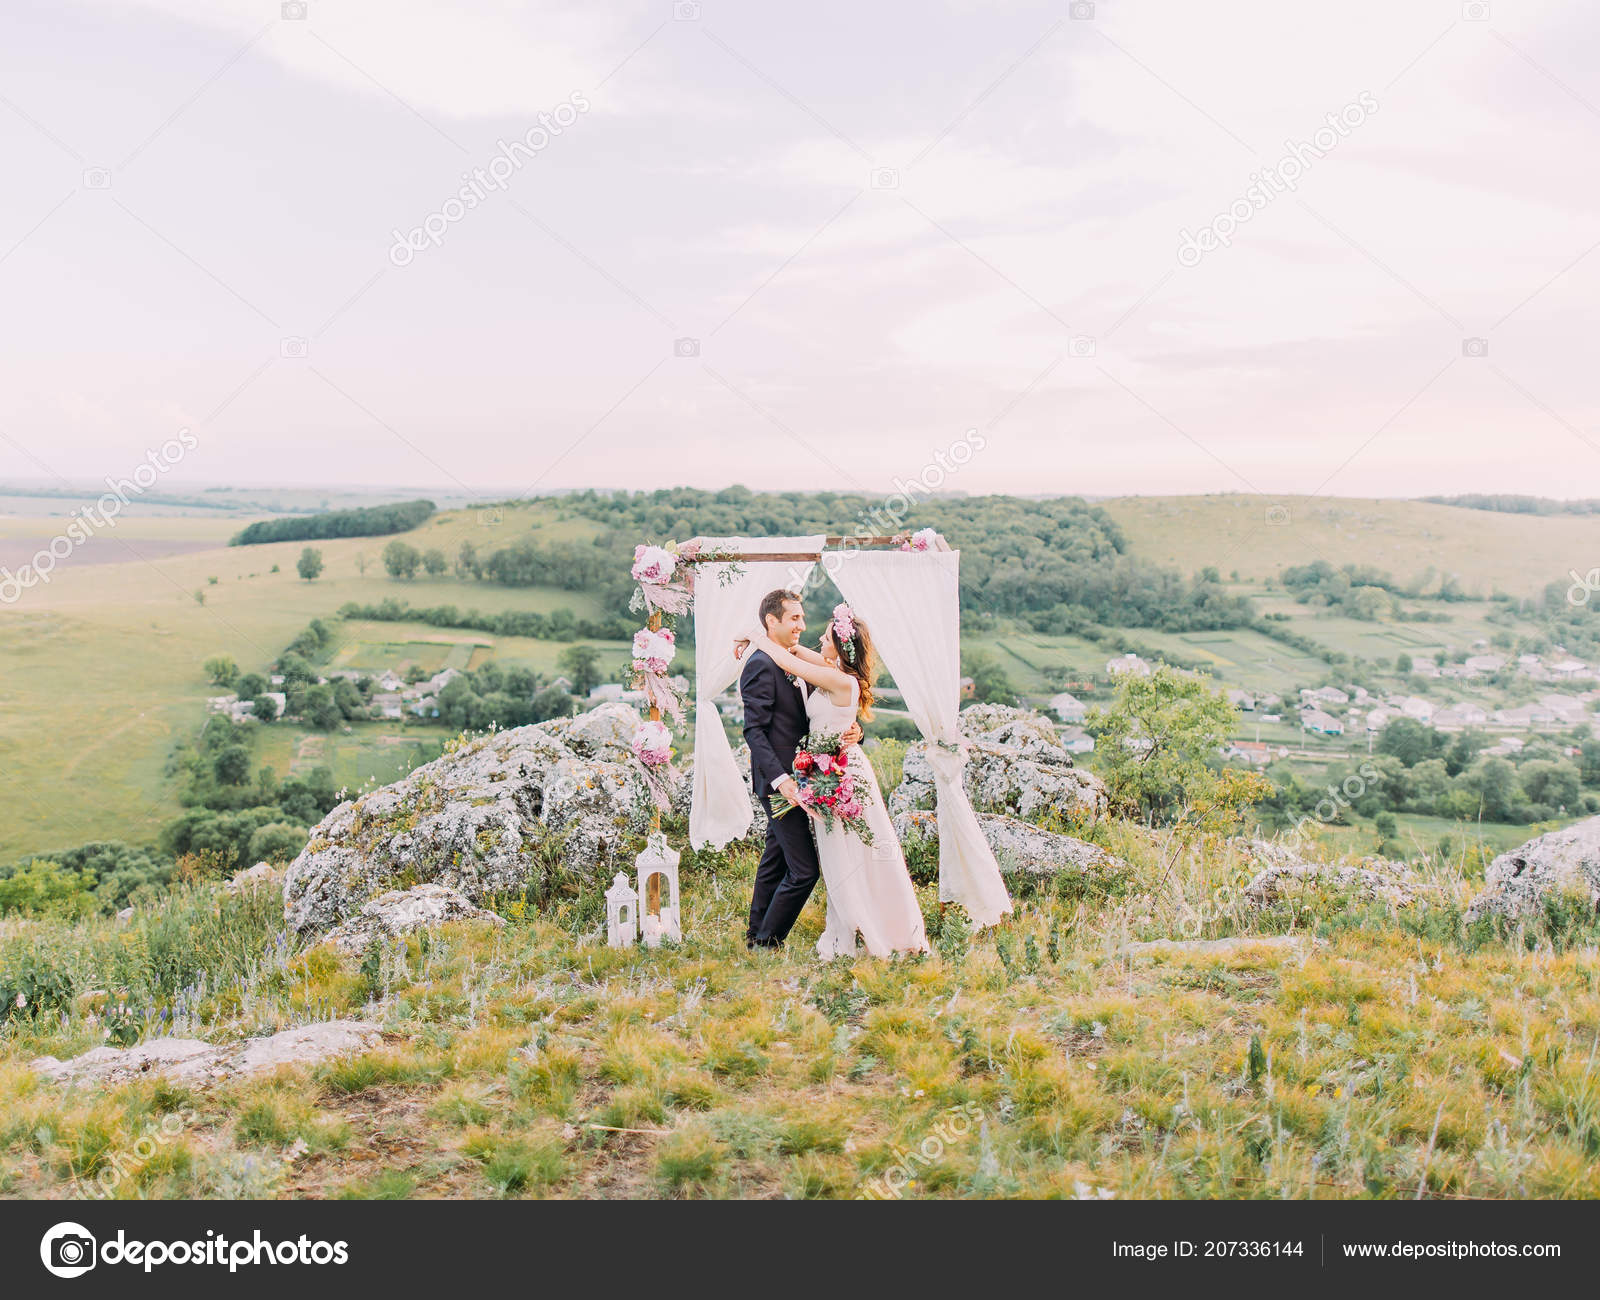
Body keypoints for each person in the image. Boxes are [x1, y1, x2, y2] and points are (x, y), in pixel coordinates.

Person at [738, 597, 928, 959]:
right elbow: (757, 728)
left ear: (840, 647)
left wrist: (754, 636)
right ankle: (761, 940)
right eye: (795, 617)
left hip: (828, 777)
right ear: (772, 619)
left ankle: (767, 939)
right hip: (791, 778)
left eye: (823, 635)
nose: (808, 632)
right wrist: (749, 637)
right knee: (792, 860)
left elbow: (791, 659)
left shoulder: (828, 674)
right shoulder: (806, 666)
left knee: (844, 856)